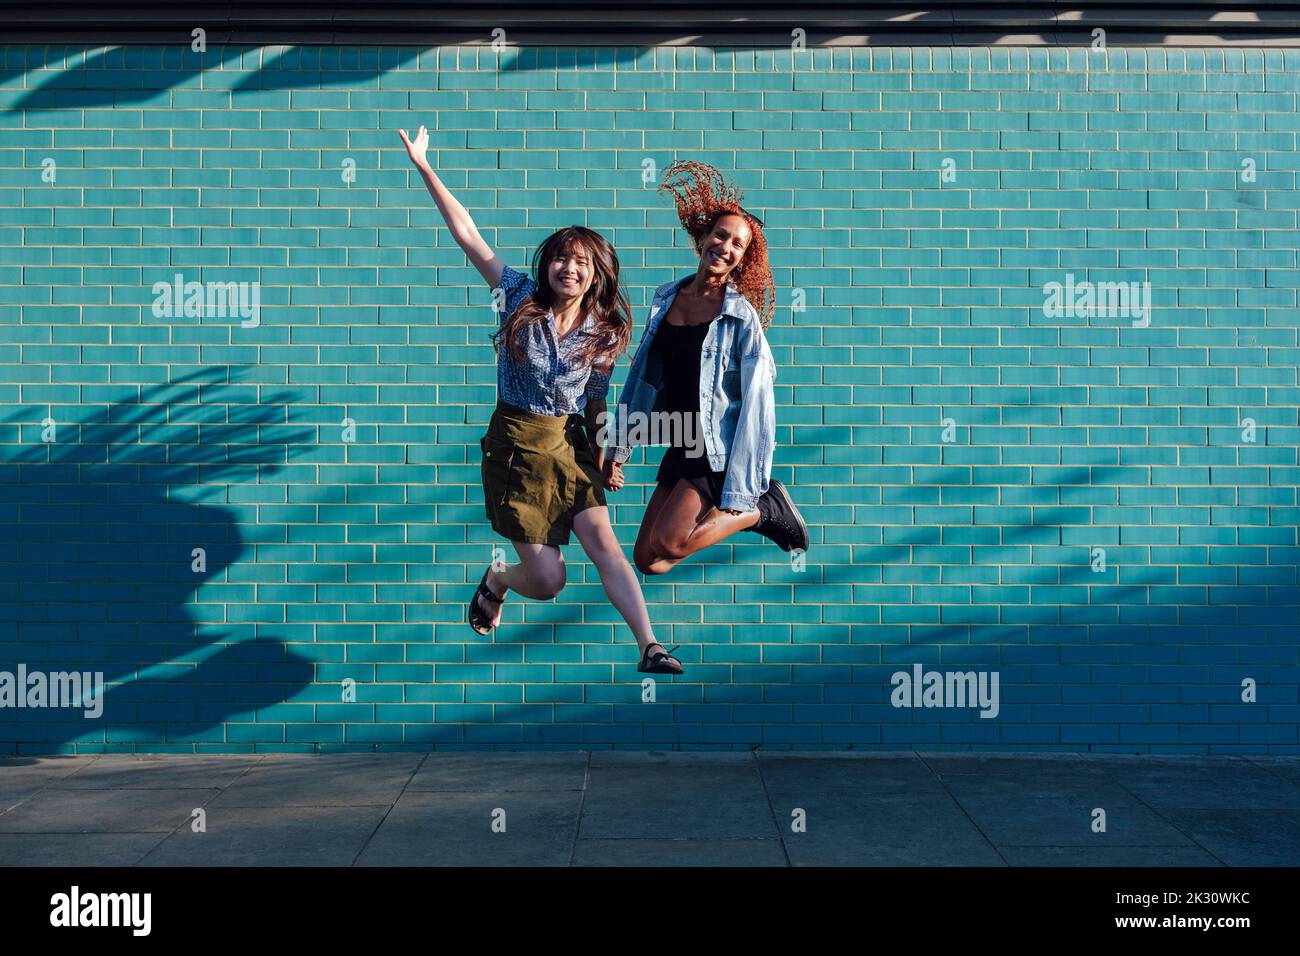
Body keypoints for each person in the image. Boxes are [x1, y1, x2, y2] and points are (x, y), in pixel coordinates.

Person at [398, 124, 683, 674]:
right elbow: (468, 234)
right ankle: (499, 578)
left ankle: (650, 645)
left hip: (569, 446)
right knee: (549, 581)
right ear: (547, 262)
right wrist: (425, 167)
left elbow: (596, 402)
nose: (569, 268)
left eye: (581, 263)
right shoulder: (516, 297)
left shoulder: (603, 331)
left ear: (596, 273)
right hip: (516, 449)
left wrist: (606, 453)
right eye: (561, 258)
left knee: (607, 549)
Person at [604, 161, 810, 576]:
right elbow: (643, 380)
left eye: (738, 244)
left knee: (670, 541)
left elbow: (757, 402)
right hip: (682, 439)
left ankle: (762, 509)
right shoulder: (666, 299)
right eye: (721, 235)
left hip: (719, 448)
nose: (726, 247)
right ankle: (758, 508)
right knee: (649, 560)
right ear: (703, 237)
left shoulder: (740, 317)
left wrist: (745, 484)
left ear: (743, 259)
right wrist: (617, 449)